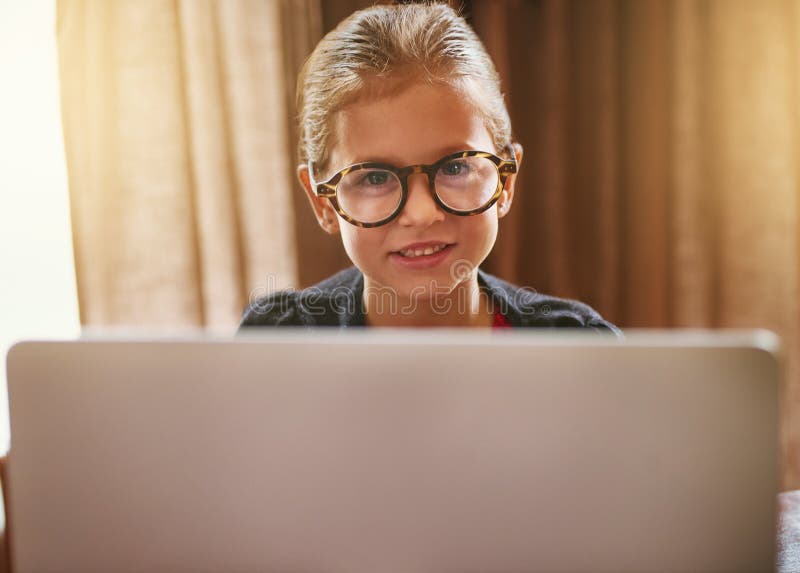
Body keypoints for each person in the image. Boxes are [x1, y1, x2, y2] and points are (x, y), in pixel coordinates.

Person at [240, 2, 620, 335]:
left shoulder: (579, 348)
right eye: (374, 178)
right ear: (321, 201)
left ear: (506, 181)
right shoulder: (277, 340)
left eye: (455, 168)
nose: (422, 214)